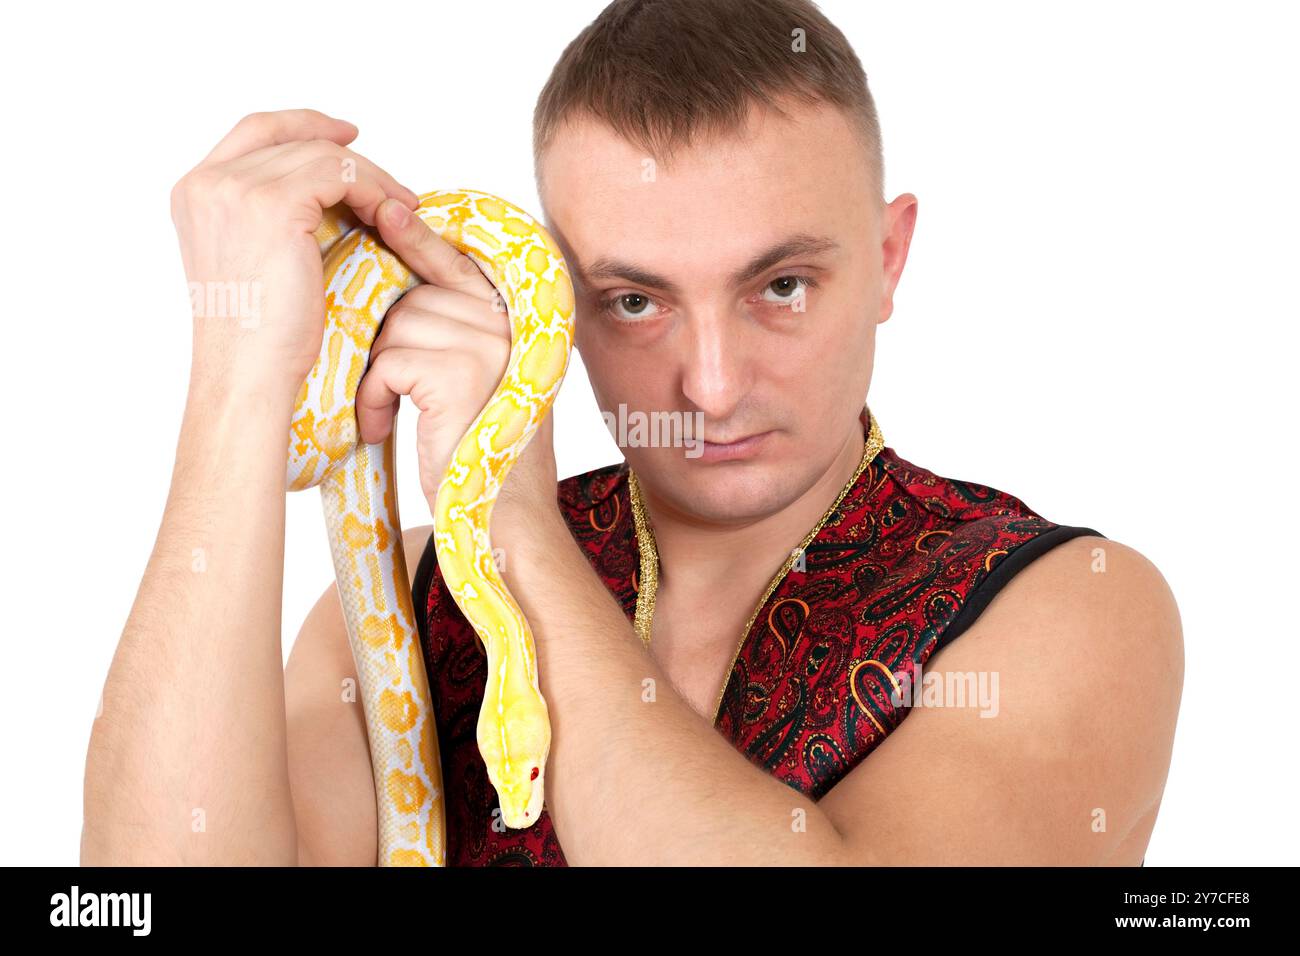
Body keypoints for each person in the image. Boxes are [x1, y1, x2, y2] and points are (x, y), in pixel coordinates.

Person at [81, 0, 1183, 867]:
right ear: (551, 294)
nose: (708, 385)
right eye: (635, 300)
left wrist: (508, 516)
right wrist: (237, 372)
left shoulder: (1066, 601)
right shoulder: (397, 603)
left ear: (889, 259)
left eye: (781, 284)